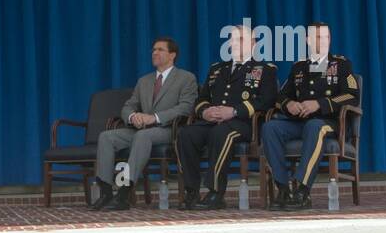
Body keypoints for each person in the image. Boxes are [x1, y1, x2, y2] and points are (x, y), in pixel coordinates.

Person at [176, 23, 277, 210]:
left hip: (244, 124)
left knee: (221, 134)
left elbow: (267, 100)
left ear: (253, 43)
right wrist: (205, 111)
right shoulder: (217, 69)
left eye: (241, 39)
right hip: (212, 121)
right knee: (186, 134)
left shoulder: (265, 69)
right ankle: (192, 192)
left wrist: (234, 111)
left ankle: (216, 193)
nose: (235, 43)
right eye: (232, 39)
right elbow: (202, 98)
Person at [91, 38, 198, 211]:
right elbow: (128, 106)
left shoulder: (186, 78)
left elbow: (185, 108)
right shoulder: (144, 81)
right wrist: (133, 116)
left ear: (172, 55)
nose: (154, 53)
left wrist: (154, 118)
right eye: (153, 49)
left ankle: (124, 193)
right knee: (106, 137)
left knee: (143, 136)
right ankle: (105, 192)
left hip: (168, 130)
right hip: (142, 129)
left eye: (160, 50)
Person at [261, 22, 358, 211]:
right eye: (317, 38)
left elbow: (352, 95)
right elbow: (281, 95)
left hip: (328, 122)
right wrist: (289, 104)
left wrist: (319, 104)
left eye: (326, 37)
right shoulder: (299, 67)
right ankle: (283, 189)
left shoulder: (341, 64)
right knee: (270, 127)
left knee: (315, 126)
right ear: (308, 40)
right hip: (299, 122)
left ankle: (302, 191)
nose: (322, 42)